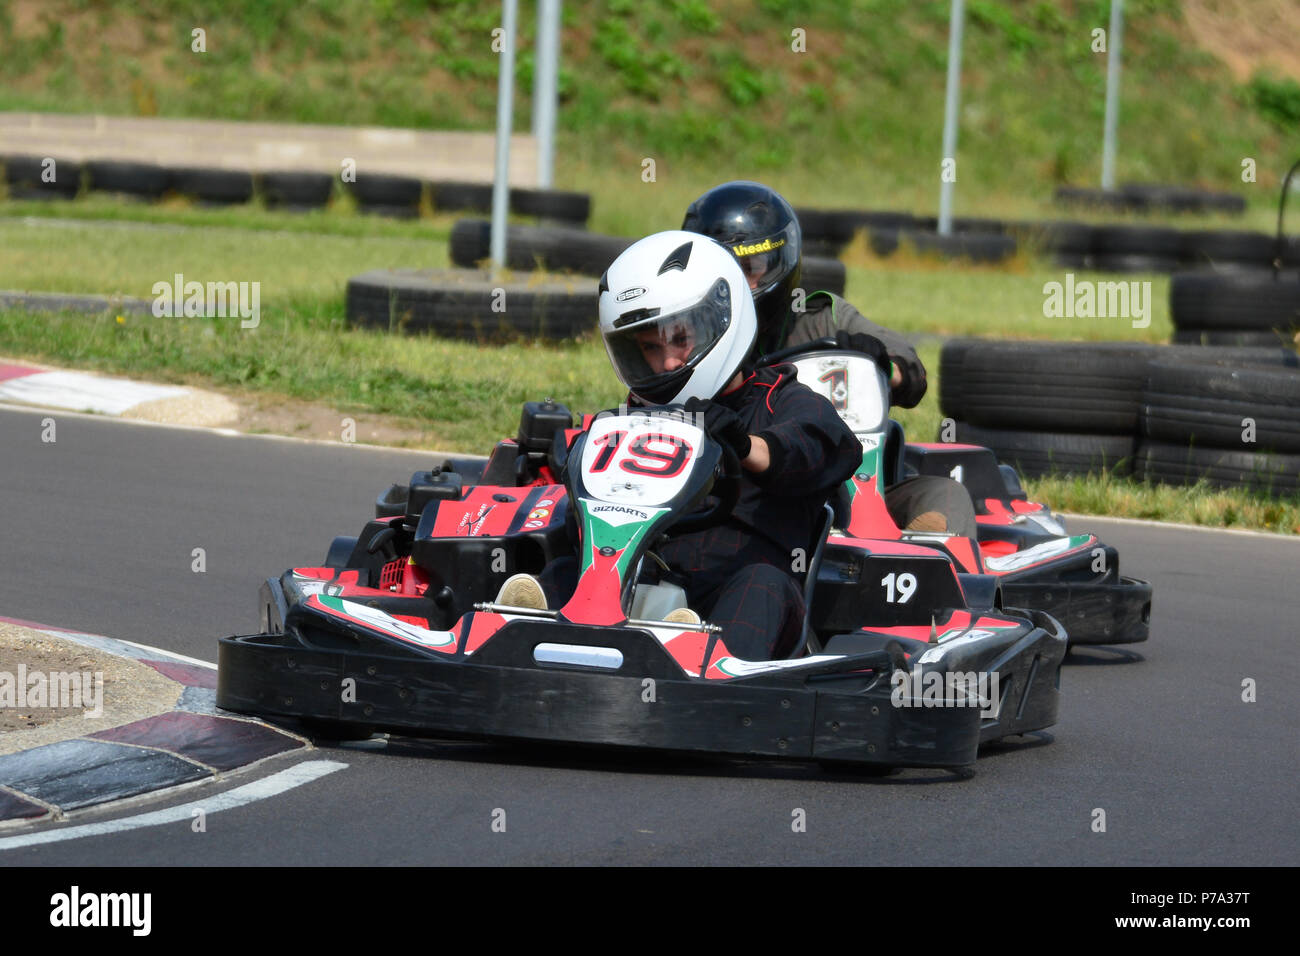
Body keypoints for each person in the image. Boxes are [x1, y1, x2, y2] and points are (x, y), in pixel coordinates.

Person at [498, 230, 861, 661]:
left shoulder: (781, 400)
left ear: (722, 321)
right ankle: (519, 642)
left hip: (736, 586)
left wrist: (745, 446)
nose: (668, 362)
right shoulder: (633, 416)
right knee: (562, 571)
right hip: (634, 577)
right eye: (651, 348)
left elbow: (826, 448)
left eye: (680, 340)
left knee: (763, 585)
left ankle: (695, 652)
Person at [681, 180, 977, 538]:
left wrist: (881, 364)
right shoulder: (688, 337)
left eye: (750, 268)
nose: (739, 283)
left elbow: (909, 372)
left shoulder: (820, 318)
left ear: (781, 263)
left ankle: (937, 576)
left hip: (850, 485)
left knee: (946, 495)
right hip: (746, 491)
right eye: (725, 271)